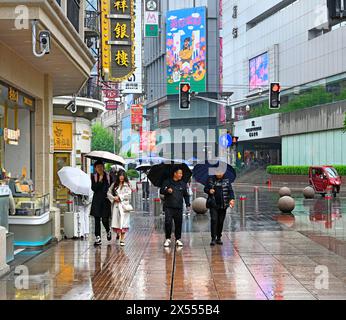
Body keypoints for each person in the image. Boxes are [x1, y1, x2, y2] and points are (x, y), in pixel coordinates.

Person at [160, 167, 191, 248]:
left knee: (178, 223)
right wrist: (167, 190)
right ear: (175, 173)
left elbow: (186, 195)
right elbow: (161, 191)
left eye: (181, 173)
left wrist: (188, 204)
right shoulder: (167, 182)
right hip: (168, 207)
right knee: (168, 222)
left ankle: (178, 239)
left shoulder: (183, 184)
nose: (181, 175)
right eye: (179, 173)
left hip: (179, 207)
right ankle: (167, 238)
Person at [204, 171, 235, 246]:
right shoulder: (210, 179)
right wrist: (209, 191)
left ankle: (219, 237)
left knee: (220, 222)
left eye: (221, 172)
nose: (220, 174)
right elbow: (205, 189)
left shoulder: (226, 180)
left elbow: (230, 191)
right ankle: (213, 238)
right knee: (214, 220)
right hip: (213, 204)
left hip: (223, 204)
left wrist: (231, 199)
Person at [107, 171, 132, 246]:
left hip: (124, 206)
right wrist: (114, 198)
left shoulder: (127, 185)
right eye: (120, 175)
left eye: (123, 175)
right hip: (116, 206)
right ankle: (118, 234)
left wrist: (120, 197)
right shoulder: (114, 185)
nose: (121, 177)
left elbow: (129, 195)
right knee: (118, 222)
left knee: (124, 223)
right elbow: (108, 193)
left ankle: (122, 238)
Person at [90, 160, 112, 246]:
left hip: (106, 201)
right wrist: (99, 180)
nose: (100, 168)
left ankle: (108, 230)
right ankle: (98, 237)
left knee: (105, 219)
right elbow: (94, 188)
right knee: (97, 219)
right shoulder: (93, 176)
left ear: (103, 167)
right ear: (95, 168)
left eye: (101, 166)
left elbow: (111, 187)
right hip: (96, 201)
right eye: (98, 167)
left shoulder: (109, 176)